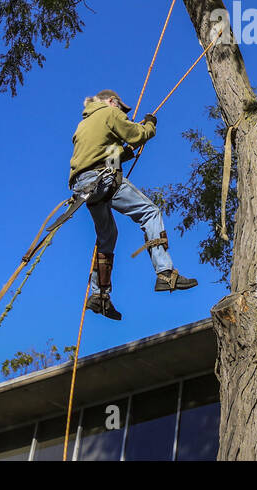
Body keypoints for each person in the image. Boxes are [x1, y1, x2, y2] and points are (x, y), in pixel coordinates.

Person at [68, 89, 197, 320]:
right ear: (111, 101)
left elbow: (103, 152)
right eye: (120, 107)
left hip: (83, 187)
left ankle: (99, 296)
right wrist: (149, 125)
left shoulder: (84, 124)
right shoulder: (109, 113)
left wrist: (124, 154)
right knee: (150, 213)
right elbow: (136, 134)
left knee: (108, 236)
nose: (122, 111)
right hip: (103, 179)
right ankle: (165, 273)